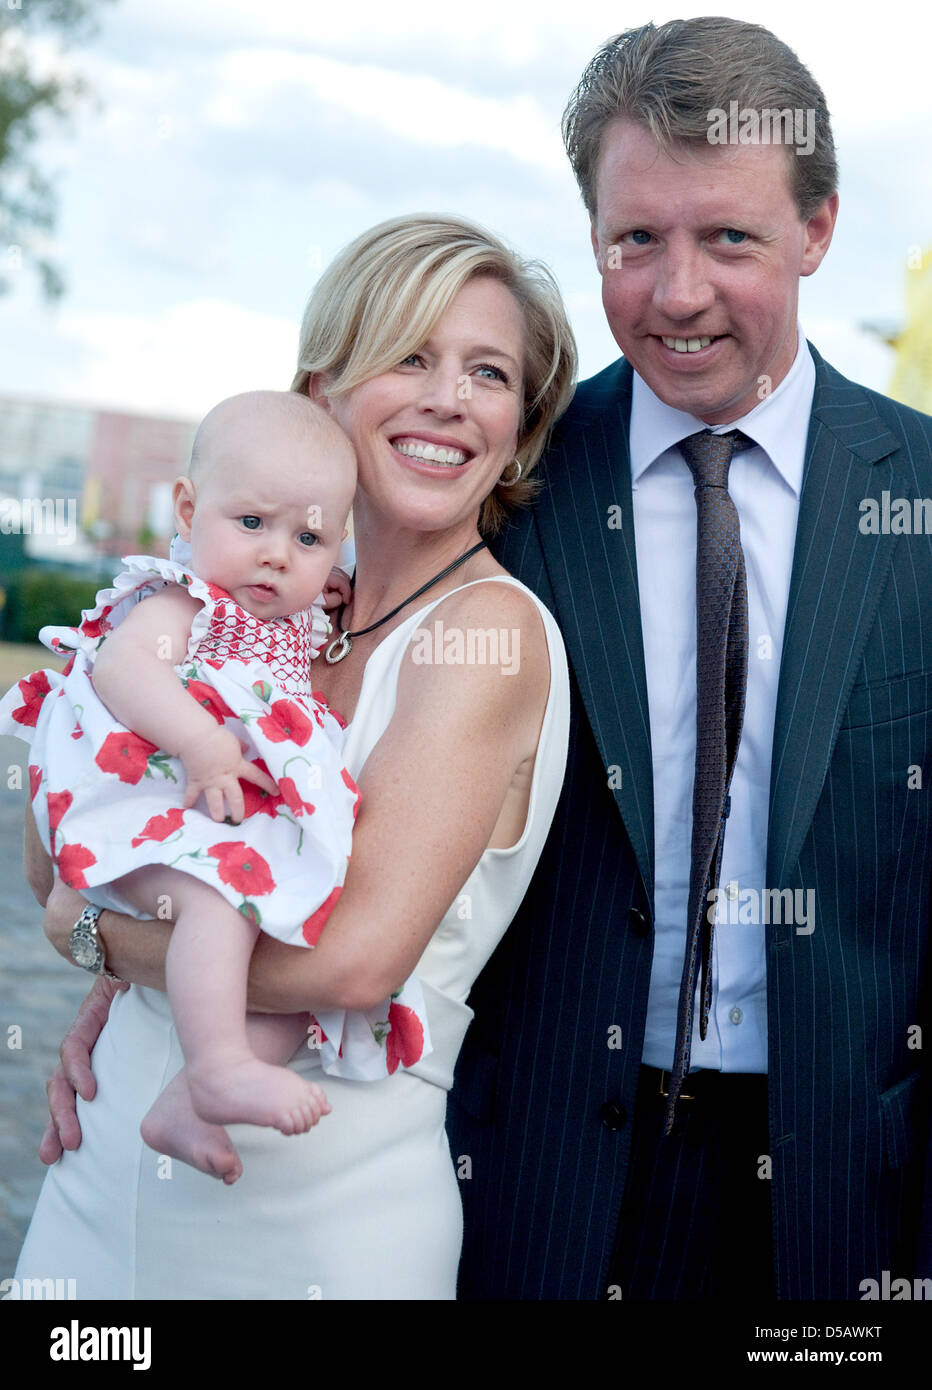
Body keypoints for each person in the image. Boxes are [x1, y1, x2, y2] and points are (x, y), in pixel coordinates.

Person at [445, 18, 932, 1300]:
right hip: (532, 1186)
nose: (675, 292)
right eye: (634, 240)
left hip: (838, 1211)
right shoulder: (505, 487)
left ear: (816, 231)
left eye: (727, 237)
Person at [16, 212, 577, 1299]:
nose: (447, 397)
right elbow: (87, 831)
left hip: (316, 1233)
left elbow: (352, 964)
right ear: (324, 386)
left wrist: (90, 940)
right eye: (408, 354)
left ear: (517, 429)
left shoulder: (484, 636)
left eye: (488, 373)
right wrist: (120, 990)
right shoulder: (267, 621)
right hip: (103, 1176)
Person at [2, 391, 432, 1187]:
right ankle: (217, 1068)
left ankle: (190, 1105)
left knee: (296, 931)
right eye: (251, 524)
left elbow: (302, 617)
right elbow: (126, 669)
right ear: (189, 509)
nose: (276, 555)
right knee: (216, 906)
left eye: (307, 537)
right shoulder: (182, 601)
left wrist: (322, 592)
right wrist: (201, 743)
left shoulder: (290, 618)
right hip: (150, 811)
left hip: (217, 826)